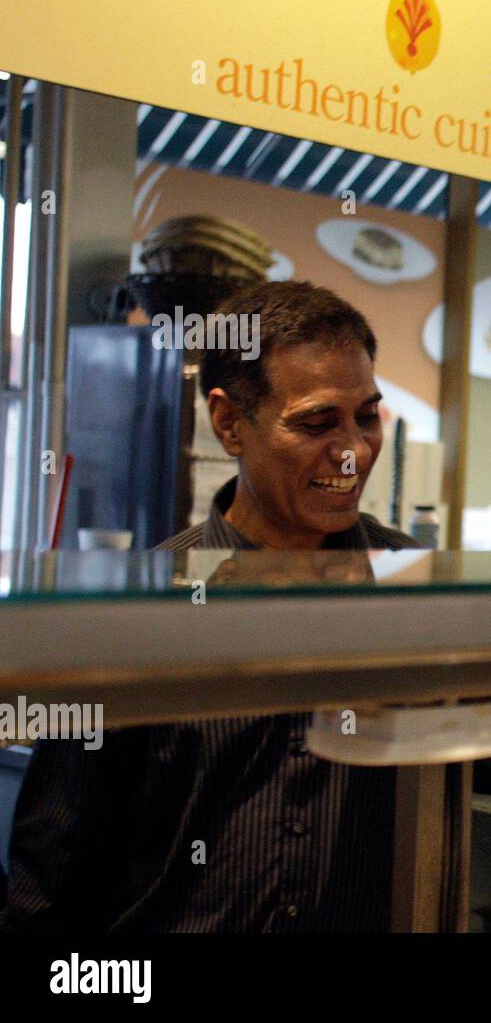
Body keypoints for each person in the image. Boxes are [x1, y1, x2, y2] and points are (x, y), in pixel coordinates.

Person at [1, 281, 419, 932]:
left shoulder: (414, 588)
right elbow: (53, 875)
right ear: (228, 423)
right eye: (316, 423)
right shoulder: (141, 610)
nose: (353, 451)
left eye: (366, 418)